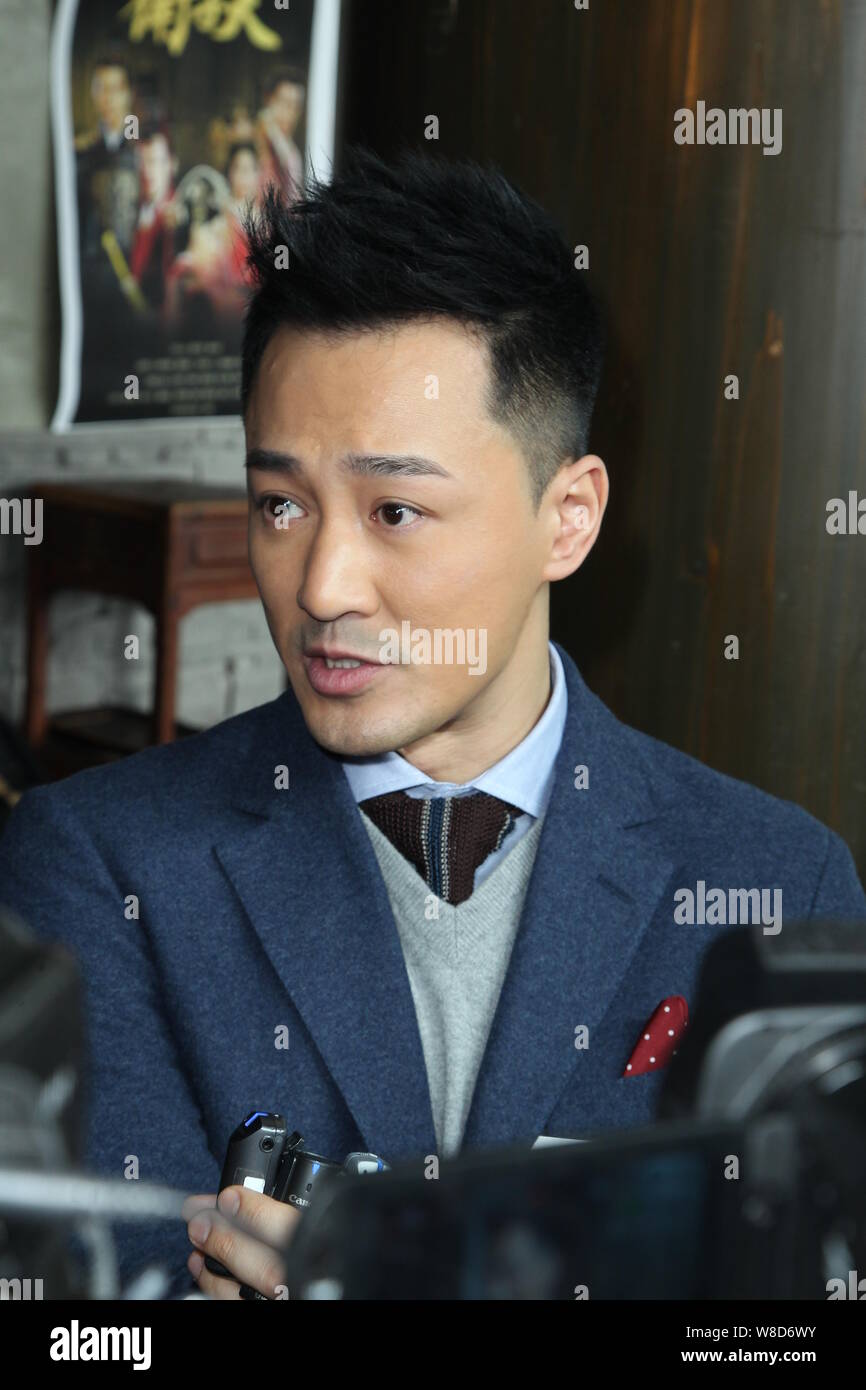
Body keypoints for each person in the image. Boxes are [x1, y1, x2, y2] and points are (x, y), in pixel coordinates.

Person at [1, 148, 863, 1300]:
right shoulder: (103, 866)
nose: (321, 586)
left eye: (395, 509)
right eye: (279, 503)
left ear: (567, 518)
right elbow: (90, 1314)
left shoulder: (773, 877)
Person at [255, 67, 305, 203]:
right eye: (284, 103)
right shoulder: (254, 139)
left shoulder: (292, 154)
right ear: (268, 100)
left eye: (295, 106)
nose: (290, 113)